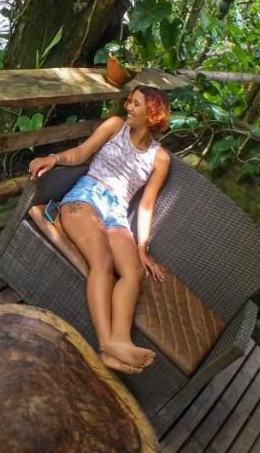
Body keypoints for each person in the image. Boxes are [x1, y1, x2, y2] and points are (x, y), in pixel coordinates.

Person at [25, 86, 172, 375]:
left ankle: (120, 339)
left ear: (152, 113)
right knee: (102, 261)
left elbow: (146, 205)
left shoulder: (160, 158)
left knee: (134, 272)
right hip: (86, 197)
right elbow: (82, 153)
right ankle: (108, 344)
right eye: (129, 101)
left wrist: (143, 247)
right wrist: (54, 158)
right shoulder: (115, 126)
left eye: (136, 104)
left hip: (116, 213)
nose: (128, 106)